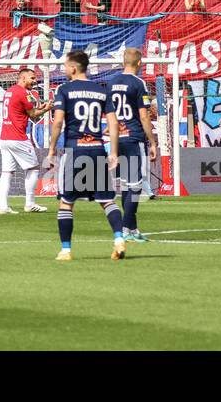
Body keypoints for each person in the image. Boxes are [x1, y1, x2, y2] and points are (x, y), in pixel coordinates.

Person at [43, 49, 126, 262]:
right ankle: (118, 239)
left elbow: (58, 122)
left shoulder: (64, 89)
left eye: (65, 65)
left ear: (73, 67)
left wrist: (52, 150)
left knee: (66, 202)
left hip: (74, 151)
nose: (64, 69)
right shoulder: (101, 90)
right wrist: (114, 151)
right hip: (97, 149)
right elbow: (114, 123)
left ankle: (66, 250)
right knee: (107, 201)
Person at [108, 48, 158, 242]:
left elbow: (110, 114)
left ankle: (133, 228)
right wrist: (152, 141)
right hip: (133, 137)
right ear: (139, 63)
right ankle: (125, 229)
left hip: (116, 138)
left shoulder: (111, 83)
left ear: (123, 62)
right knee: (135, 186)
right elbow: (144, 115)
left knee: (127, 186)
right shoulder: (138, 83)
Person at [0, 66, 52, 214]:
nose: (34, 81)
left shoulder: (9, 91)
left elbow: (23, 112)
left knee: (7, 172)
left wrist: (38, 109)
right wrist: (47, 108)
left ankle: (3, 207)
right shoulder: (24, 93)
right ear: (23, 78)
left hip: (4, 137)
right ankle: (30, 203)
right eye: (32, 78)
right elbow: (33, 115)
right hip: (18, 137)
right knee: (33, 168)